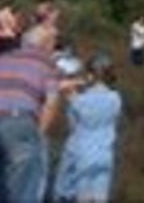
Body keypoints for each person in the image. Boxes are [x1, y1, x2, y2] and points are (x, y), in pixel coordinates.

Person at [0, 23, 60, 203]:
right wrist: (38, 135)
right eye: (54, 42)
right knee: (23, 188)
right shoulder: (46, 64)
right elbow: (51, 103)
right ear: (46, 44)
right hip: (18, 119)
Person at [52, 52, 123, 202]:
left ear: (89, 75)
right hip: (105, 154)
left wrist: (77, 83)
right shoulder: (116, 98)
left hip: (83, 154)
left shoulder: (79, 101)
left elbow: (73, 126)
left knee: (81, 196)